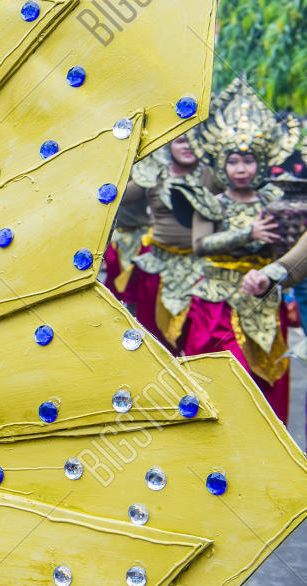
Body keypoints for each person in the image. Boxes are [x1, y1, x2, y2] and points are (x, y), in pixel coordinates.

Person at [173, 79, 302, 422]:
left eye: (248, 162)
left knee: (263, 387)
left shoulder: (274, 201)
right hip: (213, 304)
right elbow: (200, 246)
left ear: (260, 164)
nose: (241, 170)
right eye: (233, 162)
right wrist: (248, 232)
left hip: (262, 300)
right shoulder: (211, 203)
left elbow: (292, 247)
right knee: (217, 381)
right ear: (222, 165)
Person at [123, 133, 218, 349]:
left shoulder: (213, 177)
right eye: (181, 140)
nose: (189, 146)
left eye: (195, 139)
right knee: (154, 344)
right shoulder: (153, 176)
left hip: (201, 274)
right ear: (169, 145)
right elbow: (118, 197)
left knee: (200, 347)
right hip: (157, 271)